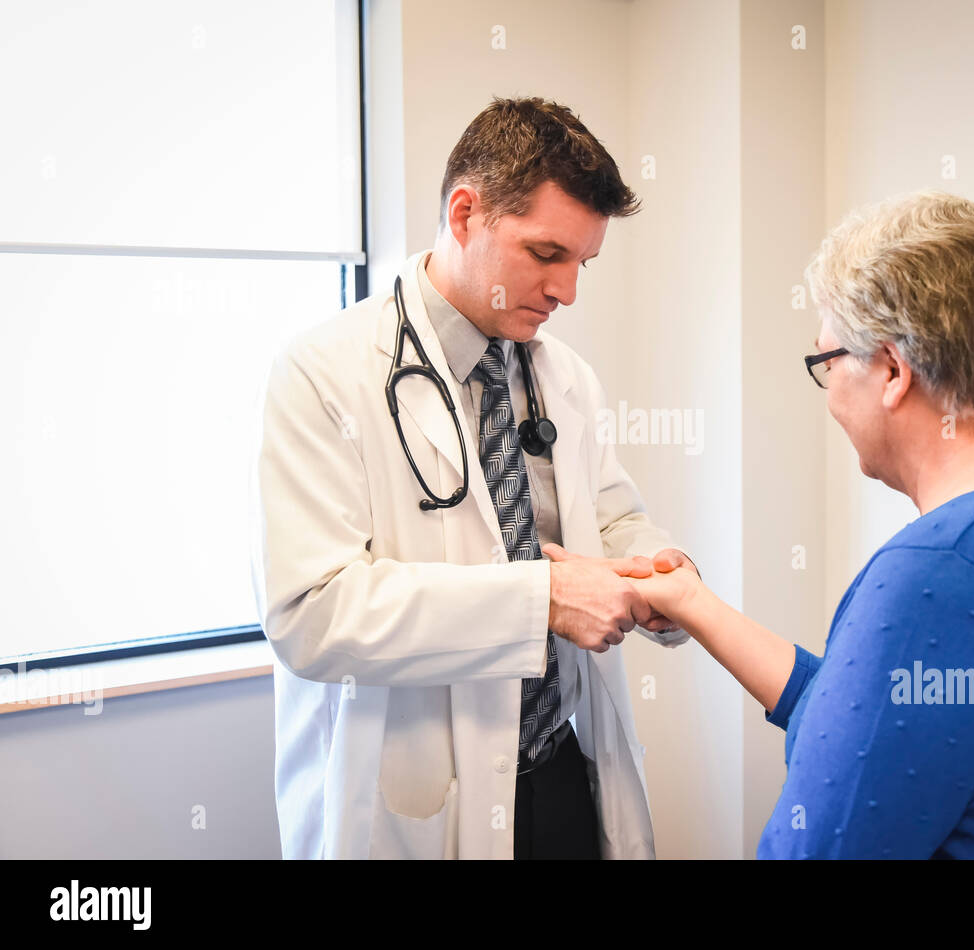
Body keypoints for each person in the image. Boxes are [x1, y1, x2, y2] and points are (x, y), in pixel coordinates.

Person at [610, 191, 974, 858]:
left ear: (891, 370)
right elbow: (886, 724)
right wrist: (693, 604)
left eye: (826, 362)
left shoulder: (943, 573)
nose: (828, 392)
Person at [251, 97, 696, 860]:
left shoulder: (565, 377)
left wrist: (658, 568)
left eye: (581, 263)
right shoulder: (324, 374)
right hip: (418, 800)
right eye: (547, 253)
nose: (567, 292)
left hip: (561, 774)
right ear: (465, 214)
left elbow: (609, 516)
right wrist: (543, 599)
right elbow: (312, 616)